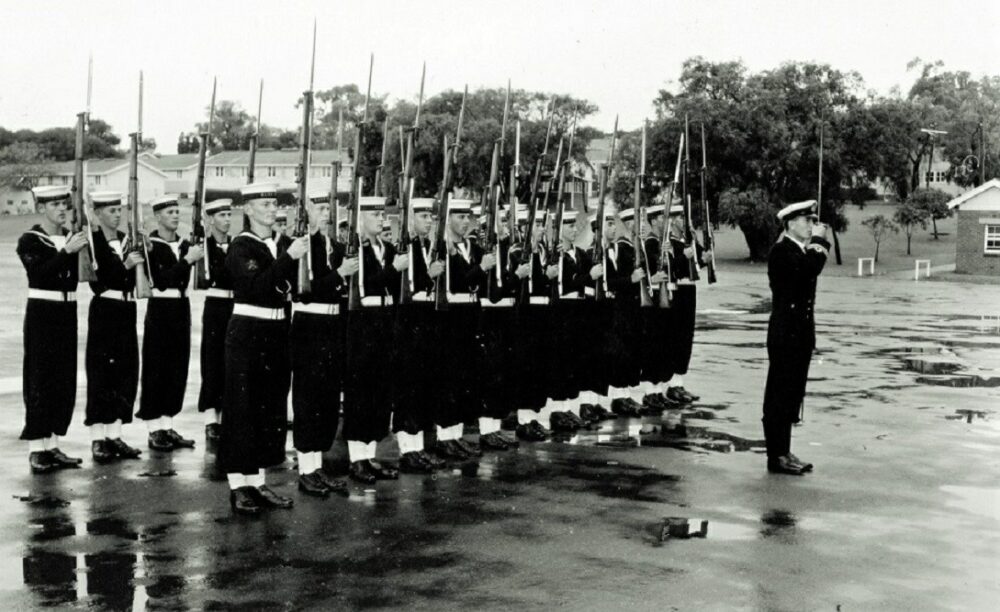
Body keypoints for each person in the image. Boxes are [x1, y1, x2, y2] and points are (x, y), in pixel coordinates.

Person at [221, 182, 308, 515]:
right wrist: (288, 259)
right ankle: (237, 485)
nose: (273, 209)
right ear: (249, 210)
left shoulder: (280, 243)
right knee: (242, 407)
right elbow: (256, 287)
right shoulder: (241, 247)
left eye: (274, 203)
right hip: (249, 330)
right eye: (265, 204)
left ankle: (256, 481)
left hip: (276, 329)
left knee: (268, 409)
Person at [17, 186, 87, 473]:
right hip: (43, 312)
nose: (62, 210)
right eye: (55, 205)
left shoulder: (71, 237)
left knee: (62, 379)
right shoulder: (31, 240)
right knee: (40, 378)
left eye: (65, 205)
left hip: (67, 311)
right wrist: (66, 251)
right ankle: (37, 447)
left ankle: (53, 444)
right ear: (41, 208)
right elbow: (39, 274)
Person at [290, 191, 355, 497]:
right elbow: (305, 291)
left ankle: (318, 466)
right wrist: (340, 274)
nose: (328, 213)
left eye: (331, 208)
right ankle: (305, 468)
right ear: (306, 213)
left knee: (327, 399)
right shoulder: (303, 247)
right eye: (319, 208)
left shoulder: (335, 246)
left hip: (332, 324)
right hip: (310, 324)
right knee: (309, 397)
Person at [343, 196, 408, 484]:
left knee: (379, 393)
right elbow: (365, 285)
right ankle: (357, 459)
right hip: (362, 325)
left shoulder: (387, 248)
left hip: (384, 323)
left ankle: (369, 456)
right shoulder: (355, 249)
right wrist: (394, 269)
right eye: (373, 214)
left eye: (382, 213)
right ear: (360, 219)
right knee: (361, 392)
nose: (381, 218)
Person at [763, 200, 829, 475]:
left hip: (799, 334)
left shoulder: (799, 250)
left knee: (791, 395)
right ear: (790, 223)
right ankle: (775, 456)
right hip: (785, 334)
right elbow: (807, 271)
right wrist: (821, 244)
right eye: (806, 221)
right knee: (779, 396)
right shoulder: (782, 252)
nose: (811, 226)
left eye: (813, 221)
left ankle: (784, 451)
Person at [136, 195, 203, 451]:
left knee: (177, 367)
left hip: (181, 307)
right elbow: (161, 280)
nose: (175, 215)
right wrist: (186, 261)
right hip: (161, 307)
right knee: (157, 367)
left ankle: (167, 424)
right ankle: (154, 429)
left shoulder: (184, 245)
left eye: (177, 211)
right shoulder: (150, 245)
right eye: (169, 212)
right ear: (158, 217)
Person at [84, 191, 144, 463]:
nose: (117, 214)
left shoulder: (126, 240)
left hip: (126, 309)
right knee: (101, 374)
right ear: (97, 214)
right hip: (105, 309)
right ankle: (98, 438)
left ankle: (115, 434)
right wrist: (125, 265)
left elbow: (139, 278)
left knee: (125, 372)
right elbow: (101, 278)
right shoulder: (93, 242)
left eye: (118, 209)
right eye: (110, 211)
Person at [393, 198, 451, 469]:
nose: (429, 220)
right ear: (410, 219)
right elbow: (406, 288)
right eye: (423, 215)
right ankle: (407, 448)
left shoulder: (429, 247)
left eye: (431, 216)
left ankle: (418, 447)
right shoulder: (405, 248)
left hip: (427, 321)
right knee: (408, 386)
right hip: (410, 321)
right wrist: (430, 275)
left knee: (424, 385)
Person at [438, 199, 497, 454]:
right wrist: (481, 269)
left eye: (467, 218)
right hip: (452, 314)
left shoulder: (472, 247)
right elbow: (459, 281)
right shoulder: (442, 247)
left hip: (472, 312)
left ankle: (457, 434)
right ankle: (444, 436)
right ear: (448, 218)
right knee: (450, 376)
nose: (465, 222)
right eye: (460, 217)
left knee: (466, 377)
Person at [197, 198, 234, 441]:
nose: (227, 220)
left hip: (236, 305)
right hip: (215, 305)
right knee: (212, 361)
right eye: (221, 215)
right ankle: (211, 418)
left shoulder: (237, 244)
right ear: (211, 219)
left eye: (229, 214)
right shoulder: (205, 247)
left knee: (232, 362)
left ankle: (229, 415)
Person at [663, 204, 707, 404]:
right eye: (681, 218)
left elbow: (698, 260)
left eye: (685, 218)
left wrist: (704, 257)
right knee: (675, 336)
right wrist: (684, 256)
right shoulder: (669, 242)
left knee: (686, 337)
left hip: (690, 289)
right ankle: (671, 384)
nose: (685, 222)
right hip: (677, 290)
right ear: (672, 220)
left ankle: (679, 382)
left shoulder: (687, 240)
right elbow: (669, 267)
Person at [604, 208, 646, 417]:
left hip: (634, 306)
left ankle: (626, 394)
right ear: (630, 224)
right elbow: (612, 281)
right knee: (622, 353)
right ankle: (618, 397)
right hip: (621, 306)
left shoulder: (635, 247)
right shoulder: (622, 248)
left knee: (631, 351)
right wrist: (631, 280)